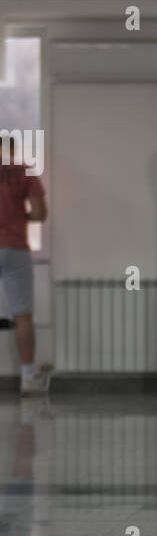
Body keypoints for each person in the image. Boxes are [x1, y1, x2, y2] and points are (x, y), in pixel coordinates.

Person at [0, 135, 49, 396]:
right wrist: (21, 215)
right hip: (14, 247)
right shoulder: (25, 173)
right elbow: (41, 213)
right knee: (23, 316)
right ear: (13, 151)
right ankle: (28, 379)